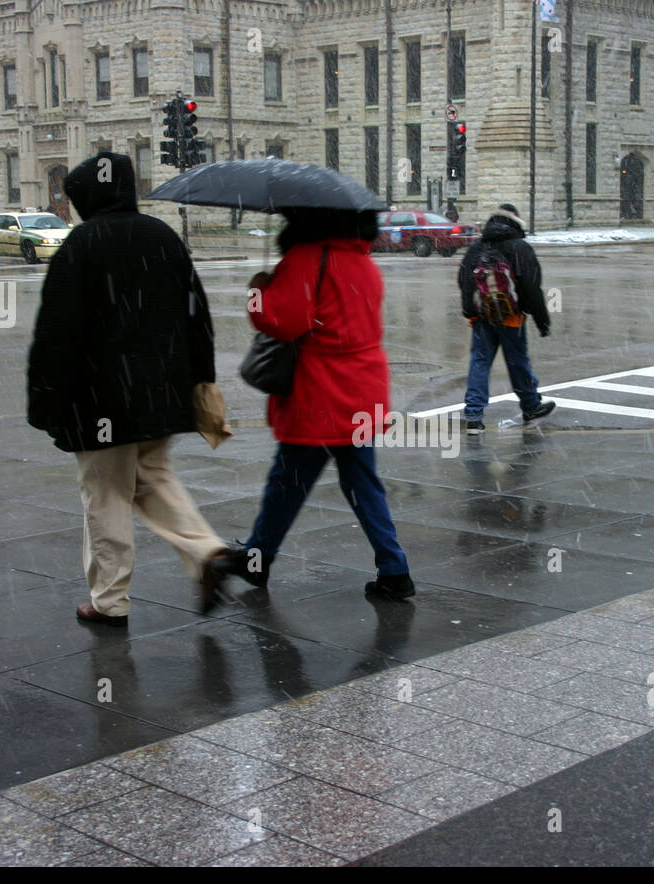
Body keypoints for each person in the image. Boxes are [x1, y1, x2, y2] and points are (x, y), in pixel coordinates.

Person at [26, 151, 230, 624]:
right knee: (152, 478)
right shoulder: (163, 237)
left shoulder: (81, 246)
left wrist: (46, 400)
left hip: (99, 399)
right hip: (161, 395)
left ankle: (109, 600)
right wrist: (200, 379)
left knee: (106, 494)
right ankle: (208, 554)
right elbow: (198, 319)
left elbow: (55, 334)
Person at [211, 208, 415, 601]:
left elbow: (281, 323)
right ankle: (395, 569)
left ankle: (257, 561)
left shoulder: (309, 257)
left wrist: (258, 292)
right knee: (362, 484)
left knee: (287, 482)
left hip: (322, 392)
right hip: (363, 388)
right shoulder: (362, 260)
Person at [456, 202, 555, 434]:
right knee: (518, 362)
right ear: (515, 222)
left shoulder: (477, 247)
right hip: (512, 316)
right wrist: (542, 320)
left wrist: (470, 311)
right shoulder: (520, 248)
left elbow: (464, 281)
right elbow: (531, 287)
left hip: (482, 316)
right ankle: (530, 406)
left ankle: (473, 416)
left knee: (480, 362)